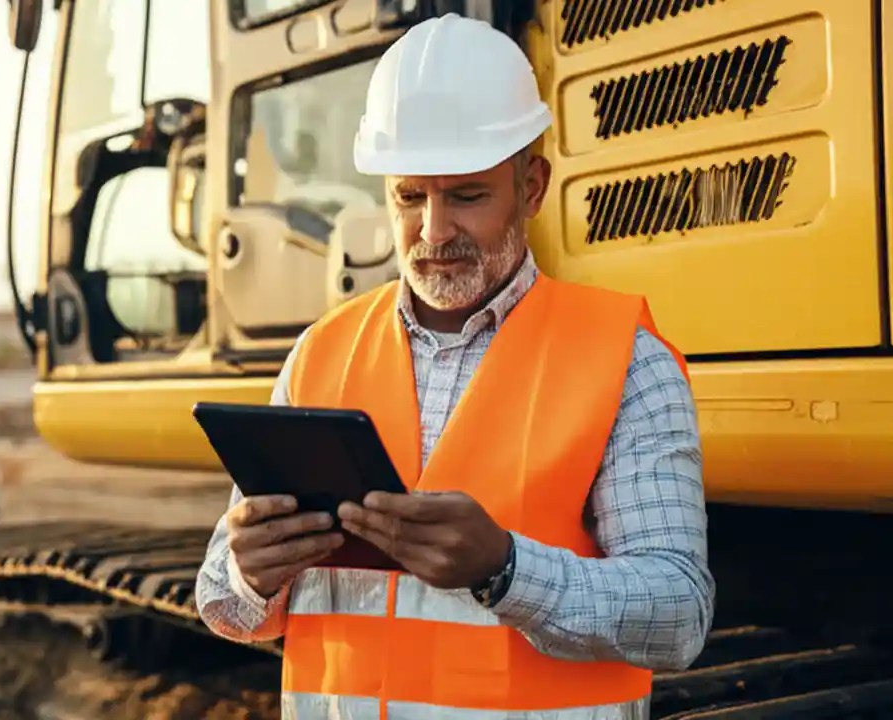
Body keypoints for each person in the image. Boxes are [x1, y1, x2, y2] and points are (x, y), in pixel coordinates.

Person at [196, 13, 714, 719]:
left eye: (466, 196)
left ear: (531, 187)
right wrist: (247, 574)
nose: (433, 232)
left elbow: (678, 614)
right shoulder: (321, 351)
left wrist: (505, 568)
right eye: (410, 197)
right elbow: (224, 607)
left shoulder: (623, 360)